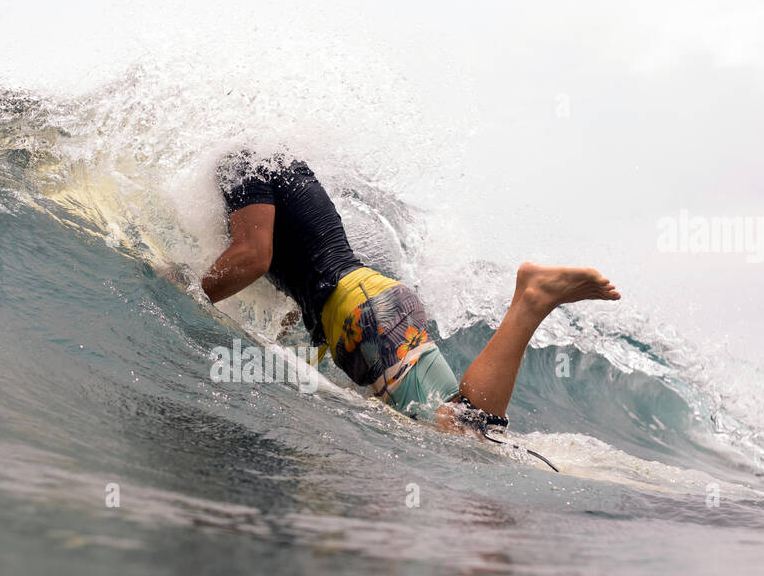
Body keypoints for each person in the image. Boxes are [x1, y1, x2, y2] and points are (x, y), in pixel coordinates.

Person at [200, 151, 620, 441]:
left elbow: (253, 256)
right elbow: (303, 267)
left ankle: (532, 301)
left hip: (364, 311)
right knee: (456, 429)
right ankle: (531, 299)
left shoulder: (243, 163)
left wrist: (191, 291)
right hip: (366, 305)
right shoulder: (277, 163)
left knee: (468, 432)